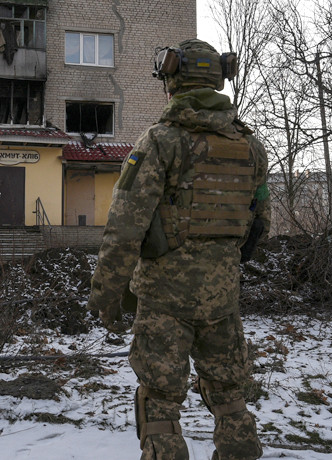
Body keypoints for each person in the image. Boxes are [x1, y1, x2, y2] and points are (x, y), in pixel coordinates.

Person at [89, 38, 269, 460]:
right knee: (229, 394)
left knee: (160, 401)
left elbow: (124, 228)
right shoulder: (249, 145)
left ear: (172, 82)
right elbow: (259, 222)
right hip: (222, 298)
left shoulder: (161, 142)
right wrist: (220, 265)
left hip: (163, 298)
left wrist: (106, 293)